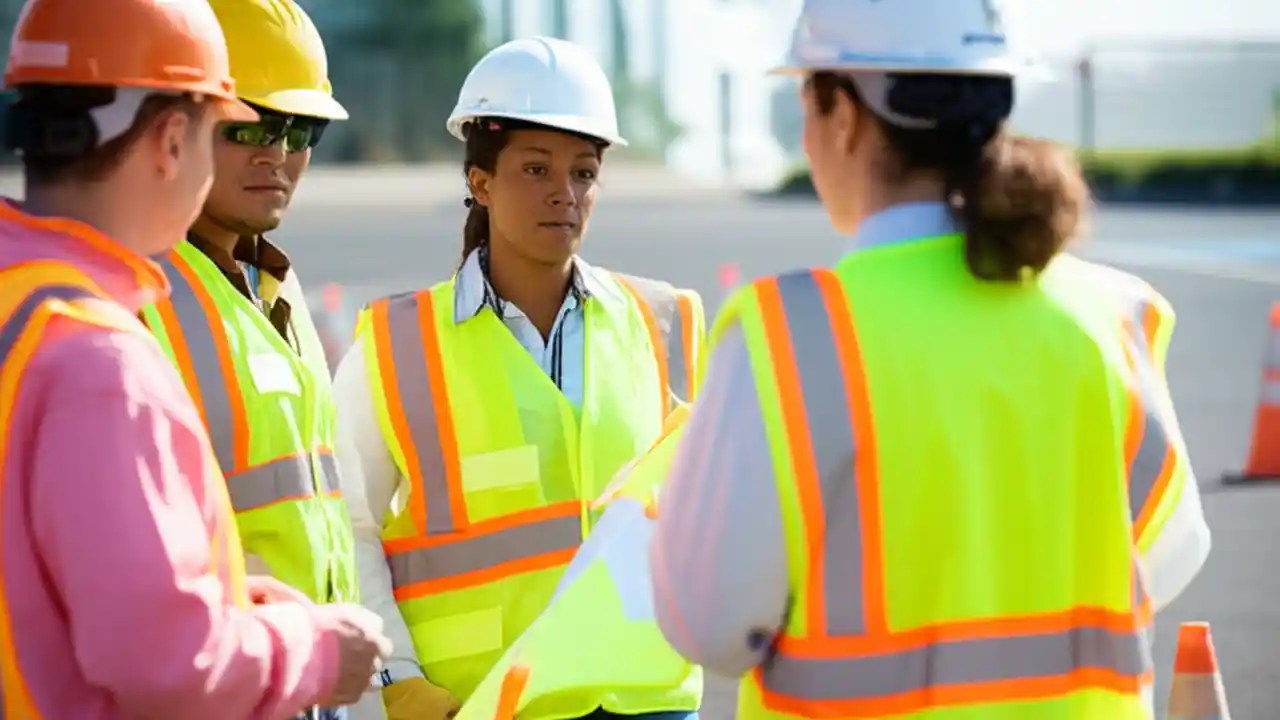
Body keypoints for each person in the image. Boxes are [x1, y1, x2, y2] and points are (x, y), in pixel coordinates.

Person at [648, 0, 1212, 718]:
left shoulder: (791, 338)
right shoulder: (1111, 315)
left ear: (843, 115)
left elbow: (707, 624)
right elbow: (1172, 555)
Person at [0, 1, 391, 719]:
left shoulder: (22, 303)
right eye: (230, 130)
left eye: (297, 133)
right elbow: (160, 659)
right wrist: (315, 650)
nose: (273, 154)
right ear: (173, 138)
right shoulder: (101, 359)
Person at [332, 36, 706, 720]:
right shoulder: (395, 346)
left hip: (647, 698)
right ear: (479, 182)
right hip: (483, 702)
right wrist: (397, 677)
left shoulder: (665, 322)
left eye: (584, 173)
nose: (564, 195)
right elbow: (346, 527)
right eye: (535, 170)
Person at [136, 2, 358, 715]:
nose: (280, 152)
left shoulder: (274, 288)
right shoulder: (140, 292)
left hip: (300, 686)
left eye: (302, 130)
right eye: (253, 125)